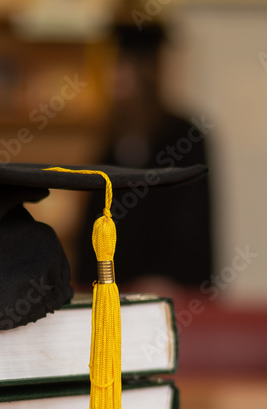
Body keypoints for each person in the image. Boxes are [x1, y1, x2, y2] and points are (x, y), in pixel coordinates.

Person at [74, 23, 214, 289]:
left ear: (145, 72)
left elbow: (193, 223)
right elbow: (94, 226)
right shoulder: (109, 142)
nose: (113, 78)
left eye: (121, 67)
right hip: (113, 291)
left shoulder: (185, 138)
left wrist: (163, 277)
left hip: (170, 290)